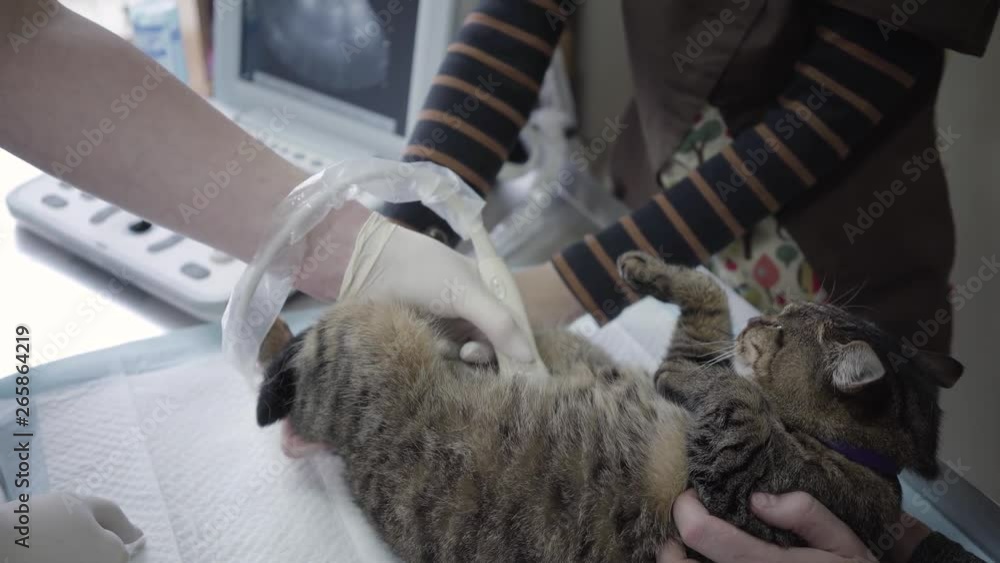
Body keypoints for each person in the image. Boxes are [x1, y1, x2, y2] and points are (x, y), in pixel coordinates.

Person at [0, 0, 991, 561]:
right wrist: (396, 242)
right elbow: (518, 14)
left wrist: (576, 280)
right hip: (661, 207)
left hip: (829, 262)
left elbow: (848, 90)